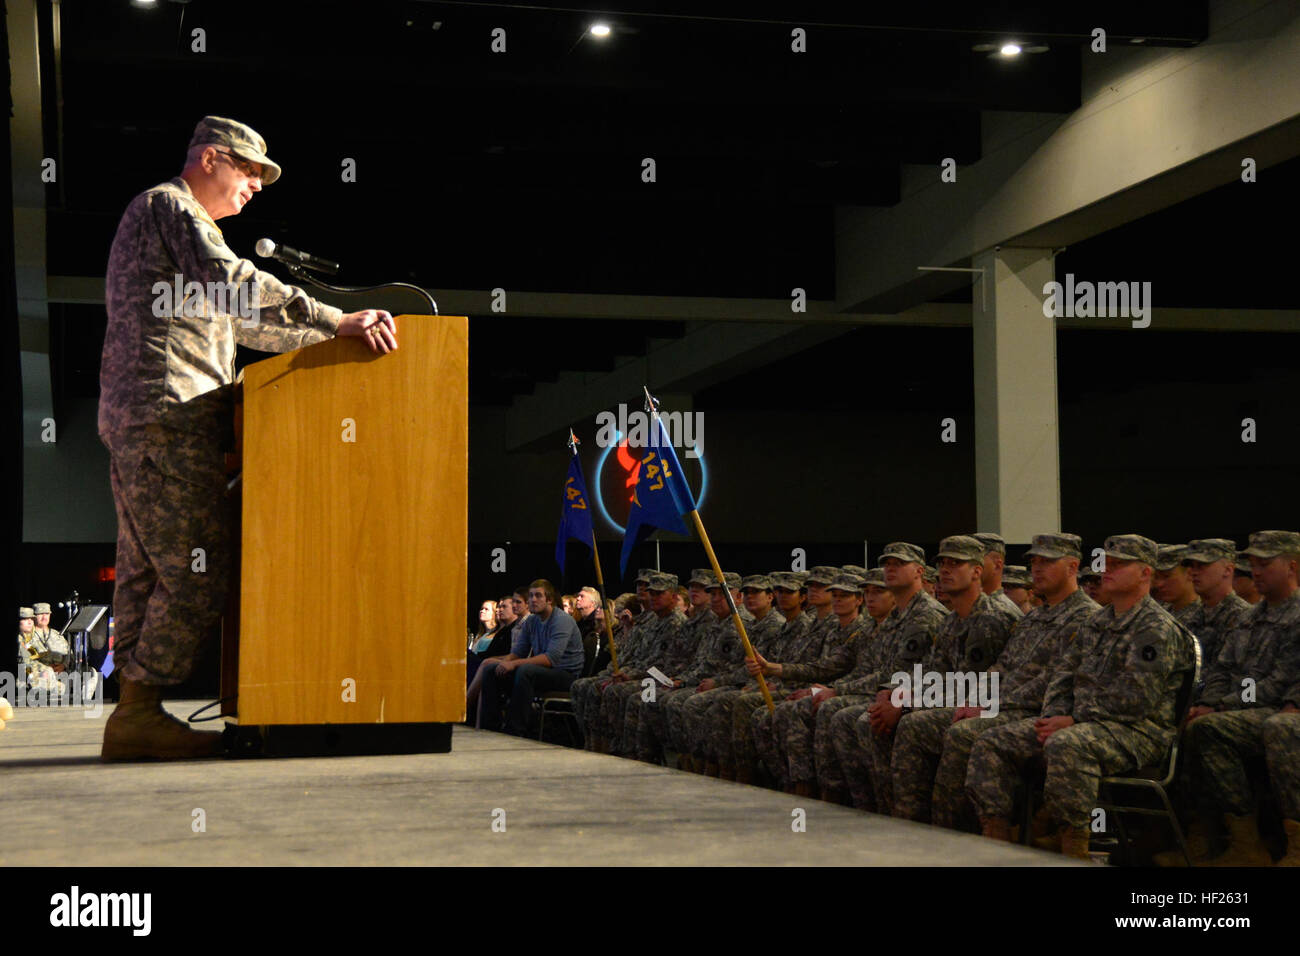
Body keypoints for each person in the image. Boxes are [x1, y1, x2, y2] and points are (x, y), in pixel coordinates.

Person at [98, 116, 398, 761]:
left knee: (149, 573)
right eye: (250, 172)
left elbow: (242, 327)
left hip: (151, 416)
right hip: (168, 414)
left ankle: (134, 714)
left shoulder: (166, 227)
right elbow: (232, 282)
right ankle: (138, 712)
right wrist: (332, 317)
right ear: (212, 158)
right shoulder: (170, 207)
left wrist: (329, 337)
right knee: (196, 571)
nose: (256, 188)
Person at [966, 534, 1194, 858]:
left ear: (1145, 574)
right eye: (1106, 563)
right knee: (992, 741)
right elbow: (1063, 675)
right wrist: (1052, 716)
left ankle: (1074, 849)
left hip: (1139, 731)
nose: (1106, 570)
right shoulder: (1097, 622)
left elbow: (1134, 701)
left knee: (1068, 744)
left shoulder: (1155, 628)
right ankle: (999, 840)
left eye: (1118, 565)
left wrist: (1073, 719)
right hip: (1085, 723)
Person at [1167, 531, 1300, 866]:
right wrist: (1209, 702)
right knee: (1201, 726)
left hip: (1280, 709)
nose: (1255, 572)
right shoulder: (1250, 618)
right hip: (1253, 709)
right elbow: (1222, 669)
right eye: (1253, 564)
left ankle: (1294, 845)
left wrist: (1225, 704)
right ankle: (1241, 841)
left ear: (1292, 567)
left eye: (1265, 564)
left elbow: (1277, 682)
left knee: (1275, 728)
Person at [478, 579, 585, 735]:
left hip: (565, 674)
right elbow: (519, 652)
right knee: (490, 670)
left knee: (525, 671)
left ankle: (515, 730)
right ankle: (490, 728)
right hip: (542, 670)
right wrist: (506, 662)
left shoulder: (561, 620)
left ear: (549, 600)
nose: (533, 600)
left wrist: (514, 665)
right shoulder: (532, 621)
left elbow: (551, 659)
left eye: (538, 596)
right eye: (531, 596)